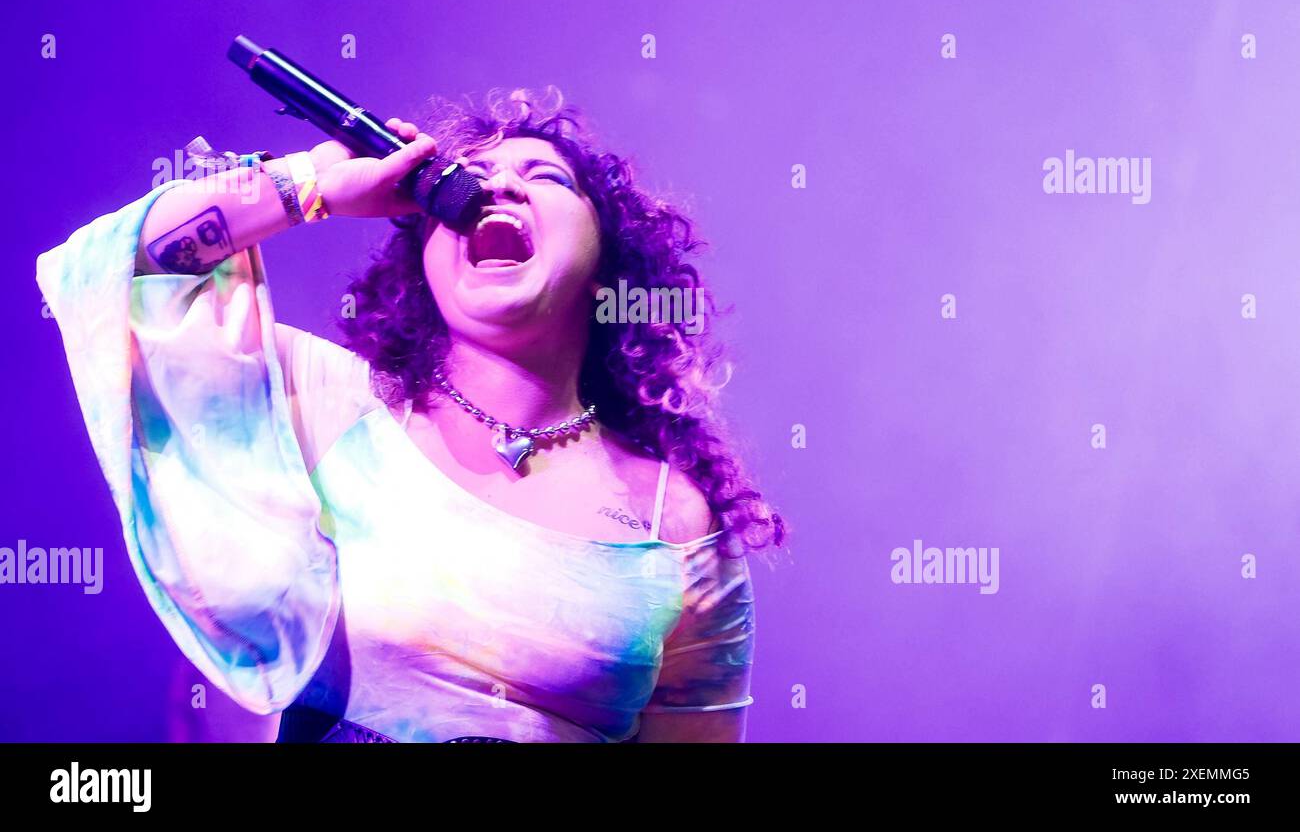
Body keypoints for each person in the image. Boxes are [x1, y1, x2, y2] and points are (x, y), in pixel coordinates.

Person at [36, 86, 785, 743]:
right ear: (425, 257)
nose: (502, 190)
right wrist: (317, 183)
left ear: (607, 263)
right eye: (470, 180)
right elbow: (119, 271)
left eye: (544, 176)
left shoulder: (678, 522)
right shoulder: (332, 405)